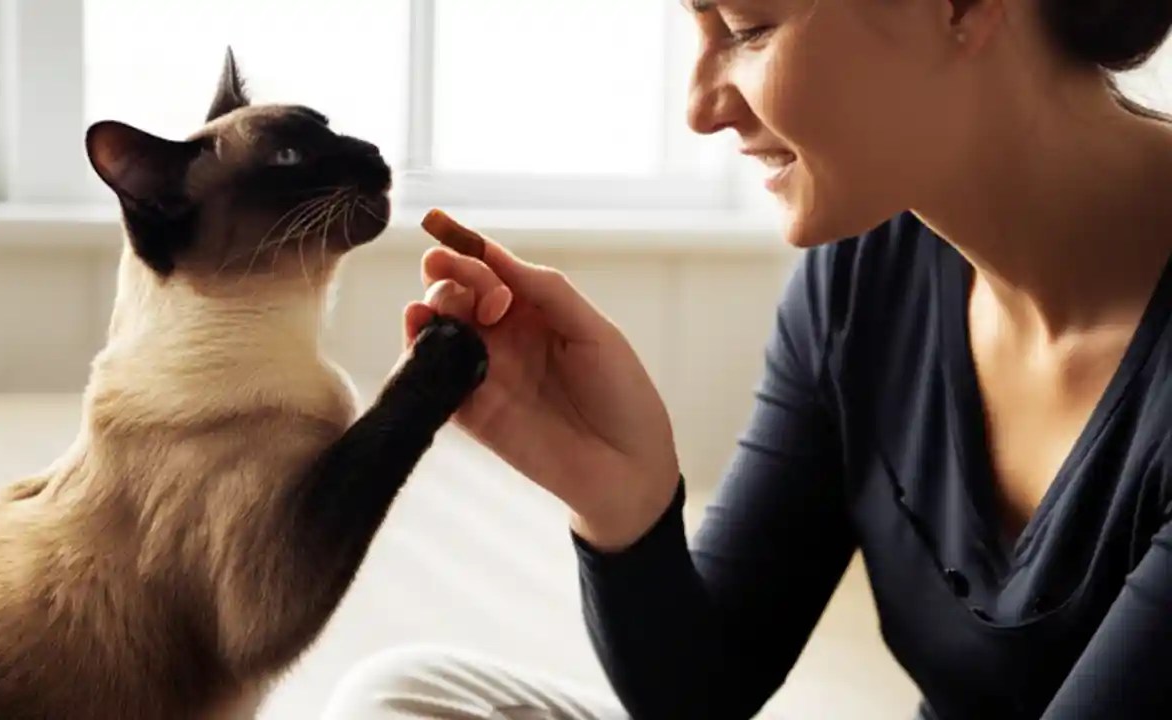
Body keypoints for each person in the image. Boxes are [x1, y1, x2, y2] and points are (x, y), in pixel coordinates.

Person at [324, 0, 1172, 717]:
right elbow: (703, 690)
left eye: (748, 26)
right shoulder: (857, 279)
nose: (698, 107)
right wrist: (622, 498)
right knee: (405, 696)